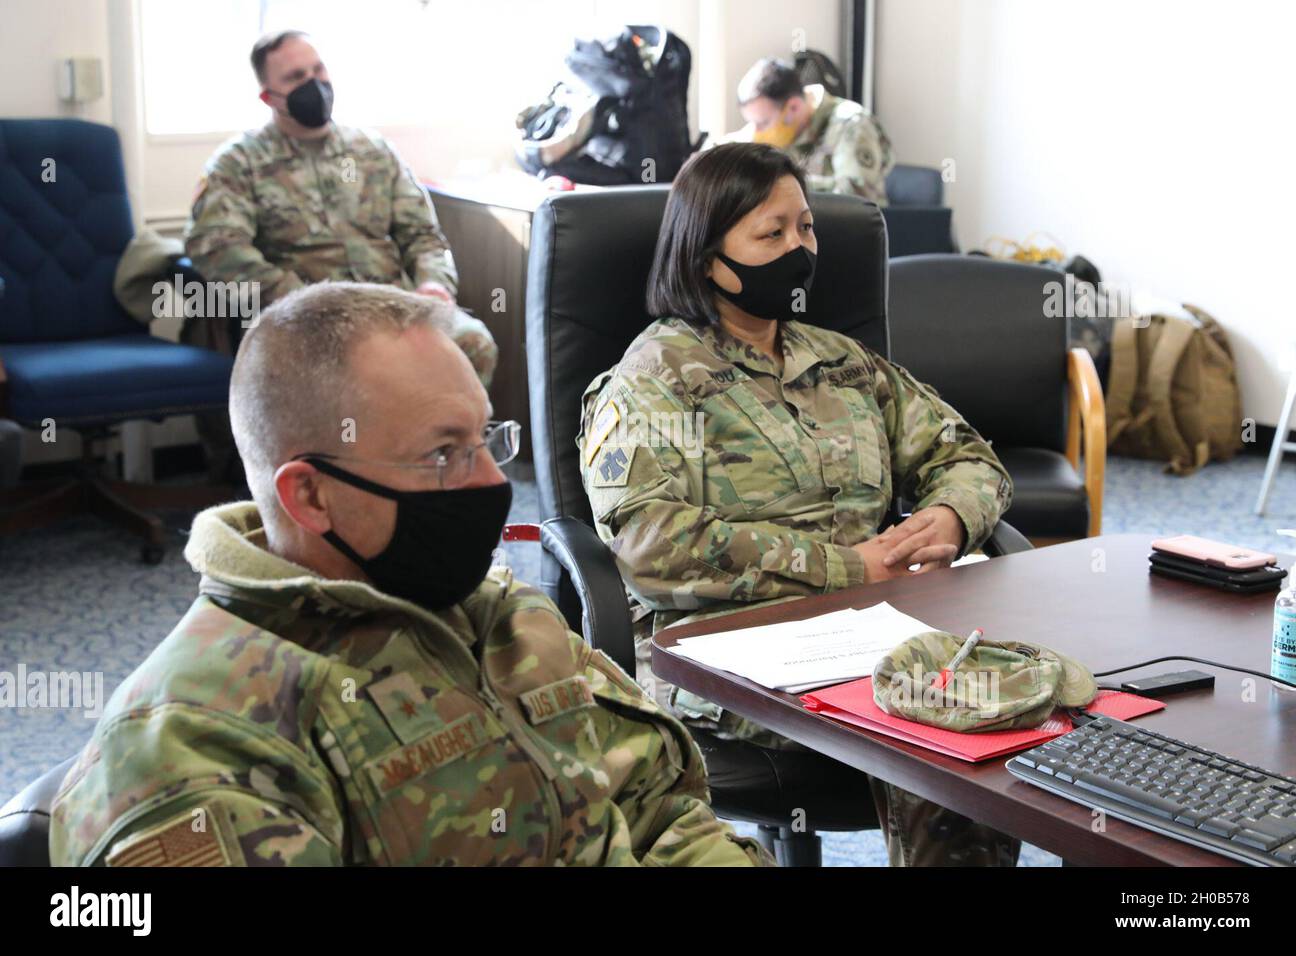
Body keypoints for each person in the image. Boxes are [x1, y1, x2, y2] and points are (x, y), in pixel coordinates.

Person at [48, 282, 767, 867]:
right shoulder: (194, 747)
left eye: (486, 438)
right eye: (444, 454)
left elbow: (657, 812)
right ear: (311, 496)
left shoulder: (499, 616)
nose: (493, 481)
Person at [578, 142, 1018, 866]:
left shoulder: (841, 360)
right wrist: (850, 568)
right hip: (723, 645)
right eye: (771, 233)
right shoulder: (656, 377)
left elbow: (967, 455)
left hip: (876, 622)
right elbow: (653, 546)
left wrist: (950, 516)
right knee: (941, 720)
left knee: (1010, 699)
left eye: (806, 228)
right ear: (705, 255)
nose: (799, 249)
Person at [183, 30, 497, 481]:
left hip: (396, 306)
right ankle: (370, 483)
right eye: (296, 77)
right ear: (269, 95)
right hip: (307, 317)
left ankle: (443, 470)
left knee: (473, 341)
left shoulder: (372, 150)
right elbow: (216, 248)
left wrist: (433, 284)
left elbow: (424, 234)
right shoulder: (239, 162)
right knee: (360, 378)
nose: (314, 83)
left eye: (318, 70)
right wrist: (296, 299)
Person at [712, 57, 894, 205]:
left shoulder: (851, 124)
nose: (756, 131)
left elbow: (856, 197)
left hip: (849, 233)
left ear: (794, 107)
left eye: (763, 122)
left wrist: (777, 184)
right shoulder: (776, 125)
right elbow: (718, 156)